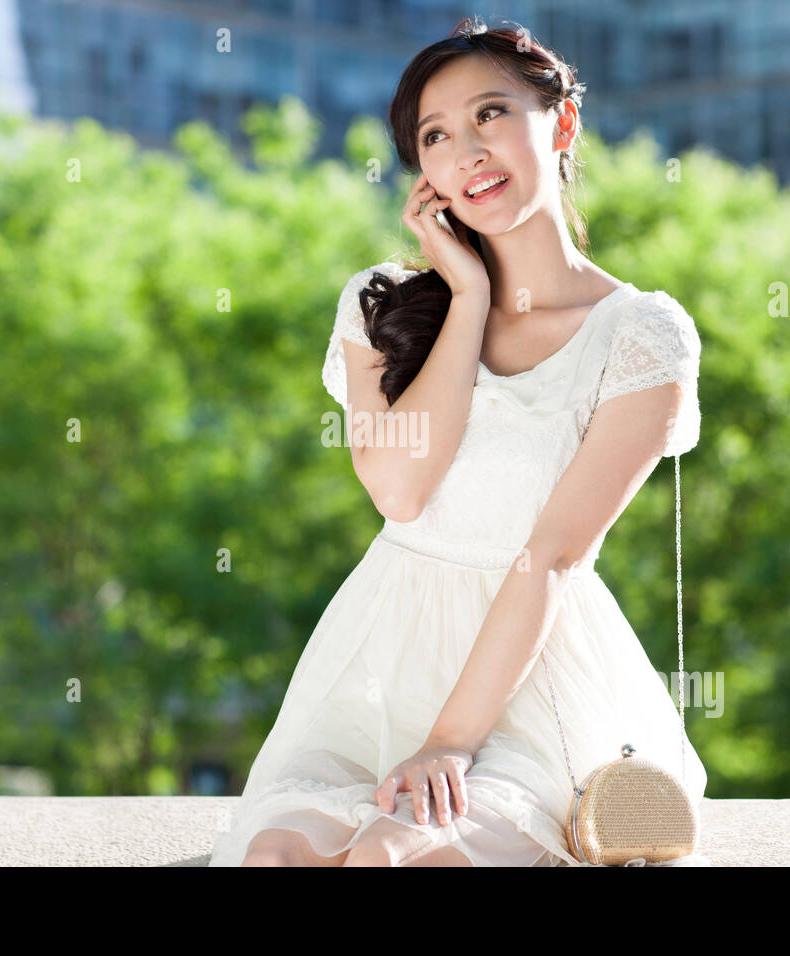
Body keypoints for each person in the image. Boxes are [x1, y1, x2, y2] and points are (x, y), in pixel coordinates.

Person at [208, 16, 706, 867]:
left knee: (400, 854)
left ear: (563, 123)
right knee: (278, 855)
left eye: (489, 114)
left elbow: (552, 553)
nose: (467, 150)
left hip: (531, 676)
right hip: (373, 665)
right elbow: (400, 494)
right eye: (435, 136)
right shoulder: (382, 303)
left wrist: (449, 742)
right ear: (423, 175)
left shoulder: (641, 334)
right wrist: (467, 299)